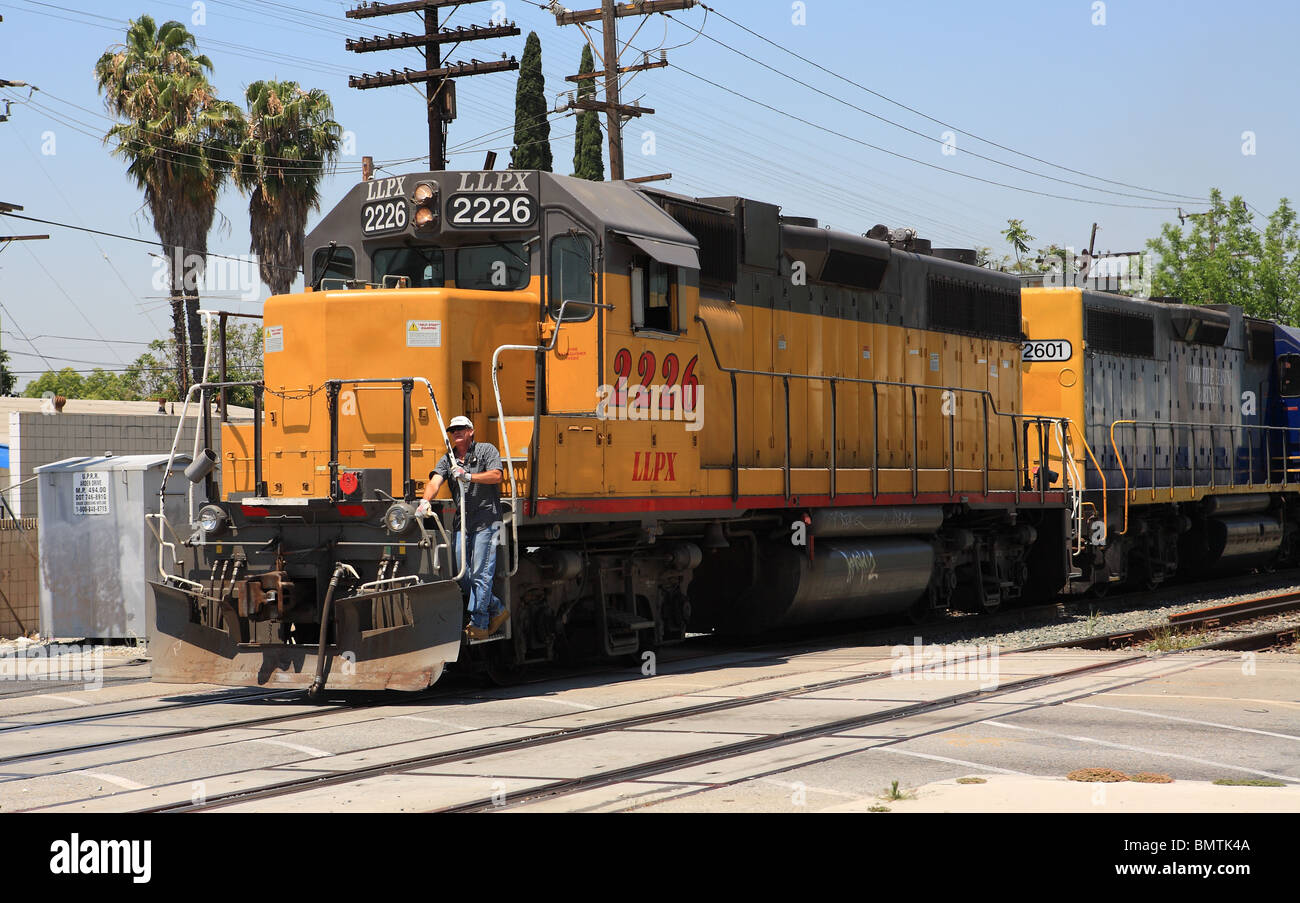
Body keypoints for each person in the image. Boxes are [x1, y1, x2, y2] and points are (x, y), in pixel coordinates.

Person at [416, 415, 509, 640]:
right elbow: (435, 481)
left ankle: (479, 624)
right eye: (453, 430)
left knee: (481, 573)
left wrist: (468, 476)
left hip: (487, 521)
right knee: (462, 574)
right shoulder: (448, 459)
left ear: (471, 431)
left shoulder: (487, 450)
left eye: (460, 429)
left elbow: (497, 475)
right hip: (463, 524)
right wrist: (425, 500)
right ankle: (496, 608)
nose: (456, 432)